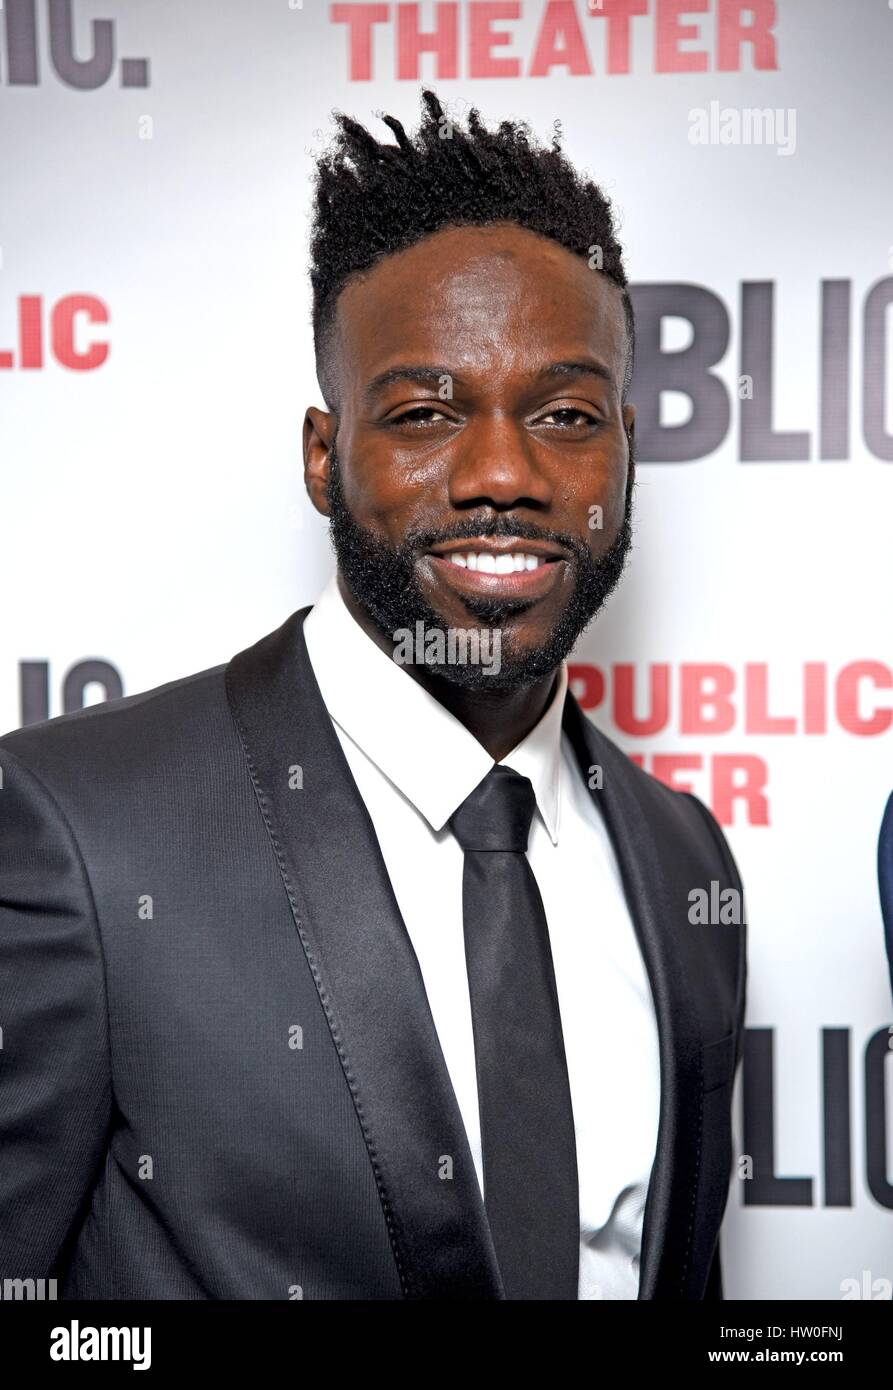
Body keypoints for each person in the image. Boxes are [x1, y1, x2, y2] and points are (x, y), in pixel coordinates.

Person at [0, 91, 746, 1301]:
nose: (503, 473)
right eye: (423, 412)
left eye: (563, 415)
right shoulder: (76, 831)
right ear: (321, 454)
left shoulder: (678, 856)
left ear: (623, 447)